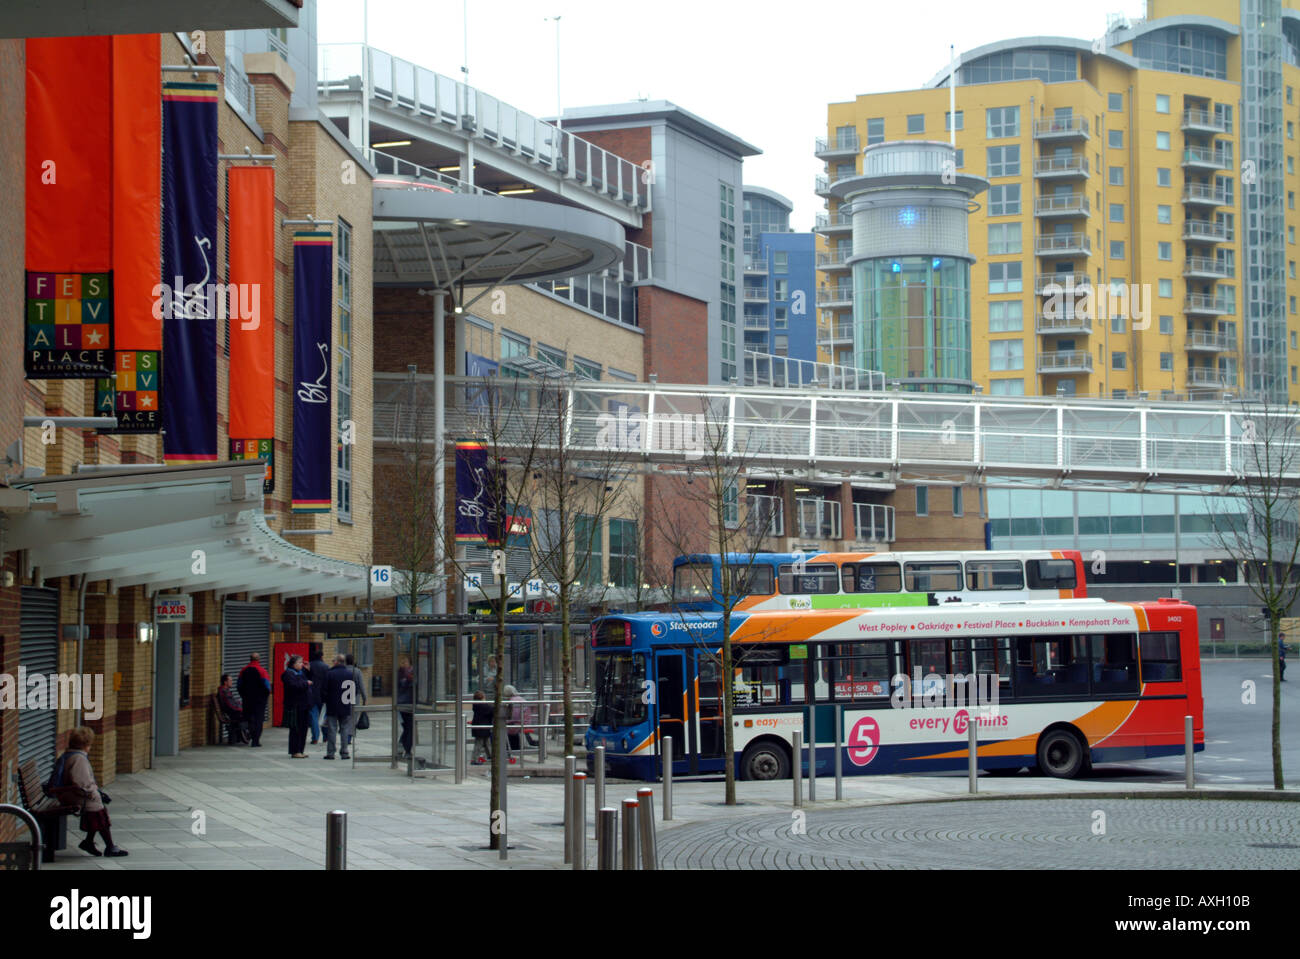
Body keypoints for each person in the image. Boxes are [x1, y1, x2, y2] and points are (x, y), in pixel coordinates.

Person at [59, 726, 128, 858]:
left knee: (98, 809)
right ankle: (109, 846)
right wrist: (94, 792)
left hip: (70, 793)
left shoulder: (72, 755)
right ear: (85, 745)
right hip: (75, 795)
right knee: (98, 811)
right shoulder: (79, 759)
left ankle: (90, 842)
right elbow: (81, 783)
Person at [236, 652, 272, 747]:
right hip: (260, 700)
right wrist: (265, 696)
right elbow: (267, 686)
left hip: (247, 699)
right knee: (259, 719)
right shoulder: (262, 671)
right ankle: (256, 740)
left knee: (250, 718)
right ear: (258, 660)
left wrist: (243, 695)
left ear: (250, 659)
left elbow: (239, 685)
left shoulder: (243, 670)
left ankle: (252, 735)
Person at [281, 654, 312, 758]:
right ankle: (295, 750)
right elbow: (294, 686)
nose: (301, 664)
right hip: (296, 705)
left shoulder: (300, 673)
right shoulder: (288, 674)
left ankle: (301, 750)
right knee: (296, 729)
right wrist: (306, 683)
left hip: (304, 705)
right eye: (299, 662)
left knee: (304, 729)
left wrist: (307, 671)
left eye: (302, 662)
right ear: (293, 664)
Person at [323, 654, 354, 760]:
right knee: (345, 728)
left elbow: (324, 690)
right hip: (345, 705)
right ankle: (344, 752)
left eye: (333, 660)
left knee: (332, 729)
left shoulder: (330, 674)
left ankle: (331, 753)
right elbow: (353, 690)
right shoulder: (350, 674)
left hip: (332, 705)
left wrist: (326, 701)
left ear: (336, 662)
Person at [344, 652, 368, 747]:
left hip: (344, 696)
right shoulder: (357, 671)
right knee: (353, 717)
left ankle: (344, 735)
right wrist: (364, 697)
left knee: (345, 717)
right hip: (355, 696)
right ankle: (349, 736)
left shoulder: (343, 670)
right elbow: (361, 685)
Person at [216, 673, 247, 743]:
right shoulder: (224, 692)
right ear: (225, 682)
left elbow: (232, 703)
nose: (232, 682)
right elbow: (230, 705)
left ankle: (242, 735)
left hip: (233, 712)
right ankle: (246, 734)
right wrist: (241, 709)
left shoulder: (225, 691)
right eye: (230, 680)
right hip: (233, 714)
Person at [307, 648, 329, 745]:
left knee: (314, 717)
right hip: (323, 696)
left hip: (311, 695)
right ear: (321, 656)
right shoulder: (326, 667)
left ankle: (315, 738)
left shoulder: (309, 666)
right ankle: (326, 737)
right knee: (324, 717)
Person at [397, 656, 414, 760]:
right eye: (403, 662)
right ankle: (406, 749)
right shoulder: (401, 674)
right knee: (408, 727)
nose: (403, 664)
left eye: (405, 661)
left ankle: (402, 746)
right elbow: (401, 685)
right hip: (403, 704)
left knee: (409, 727)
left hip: (410, 704)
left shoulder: (411, 673)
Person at [470, 690, 494, 764]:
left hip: (479, 727)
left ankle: (491, 756)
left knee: (486, 742)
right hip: (483, 727)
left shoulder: (476, 705)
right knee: (480, 743)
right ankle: (474, 759)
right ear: (482, 698)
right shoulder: (484, 706)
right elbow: (492, 711)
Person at [504, 684, 525, 762]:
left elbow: (514, 717)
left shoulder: (512, 701)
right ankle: (514, 748)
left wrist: (505, 721)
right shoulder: (520, 698)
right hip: (523, 722)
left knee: (502, 728)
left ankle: (508, 750)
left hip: (518, 723)